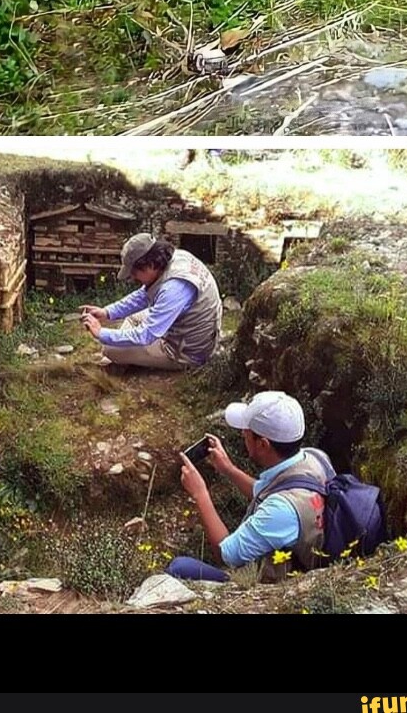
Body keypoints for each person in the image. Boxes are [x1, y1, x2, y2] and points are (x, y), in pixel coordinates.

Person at [166, 390, 334, 583]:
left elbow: (225, 555)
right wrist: (228, 469)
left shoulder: (280, 511)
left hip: (279, 584)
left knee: (179, 567)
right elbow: (267, 491)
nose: (242, 434)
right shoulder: (314, 457)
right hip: (304, 539)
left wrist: (200, 493)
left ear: (263, 444)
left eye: (246, 432)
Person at [80, 233, 222, 371]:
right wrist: (107, 312)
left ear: (150, 264)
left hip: (187, 352)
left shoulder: (173, 288)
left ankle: (123, 358)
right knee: (133, 318)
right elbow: (143, 295)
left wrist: (101, 333)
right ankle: (126, 355)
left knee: (109, 349)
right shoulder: (176, 258)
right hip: (189, 331)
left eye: (134, 272)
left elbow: (146, 335)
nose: (132, 277)